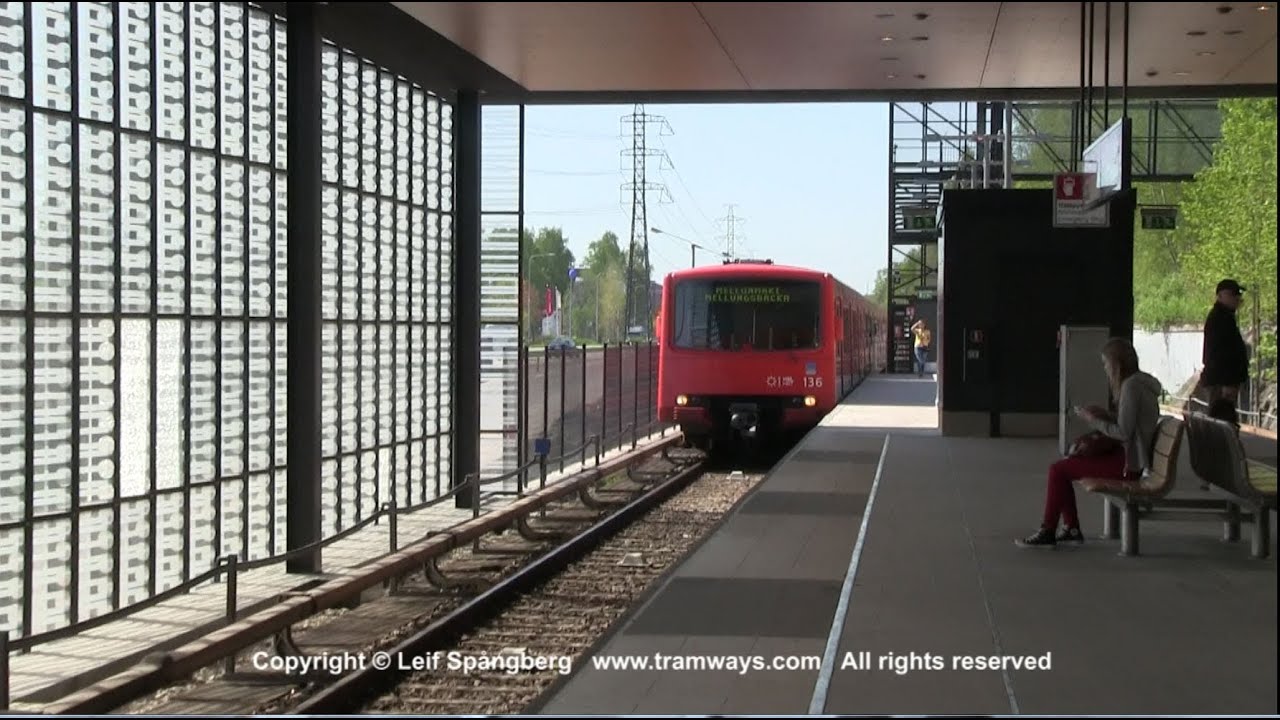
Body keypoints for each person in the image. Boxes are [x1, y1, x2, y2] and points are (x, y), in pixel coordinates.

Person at [1016, 337, 1163, 548]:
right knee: (1064, 466)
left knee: (1058, 470)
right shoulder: (1141, 383)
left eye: (1105, 363)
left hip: (1128, 463)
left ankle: (1050, 529)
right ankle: (1069, 528)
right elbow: (1133, 425)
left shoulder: (1131, 387)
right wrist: (1106, 415)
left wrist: (1094, 421)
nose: (1105, 369)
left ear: (1116, 364)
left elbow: (1124, 432)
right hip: (1132, 458)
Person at [1196, 279, 1249, 407]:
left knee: (1222, 420)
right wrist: (1227, 382)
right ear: (1221, 296)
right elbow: (1220, 354)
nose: (1237, 297)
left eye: (1238, 294)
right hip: (1221, 383)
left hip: (1223, 382)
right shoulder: (1220, 319)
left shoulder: (1225, 317)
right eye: (1233, 294)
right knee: (1221, 420)